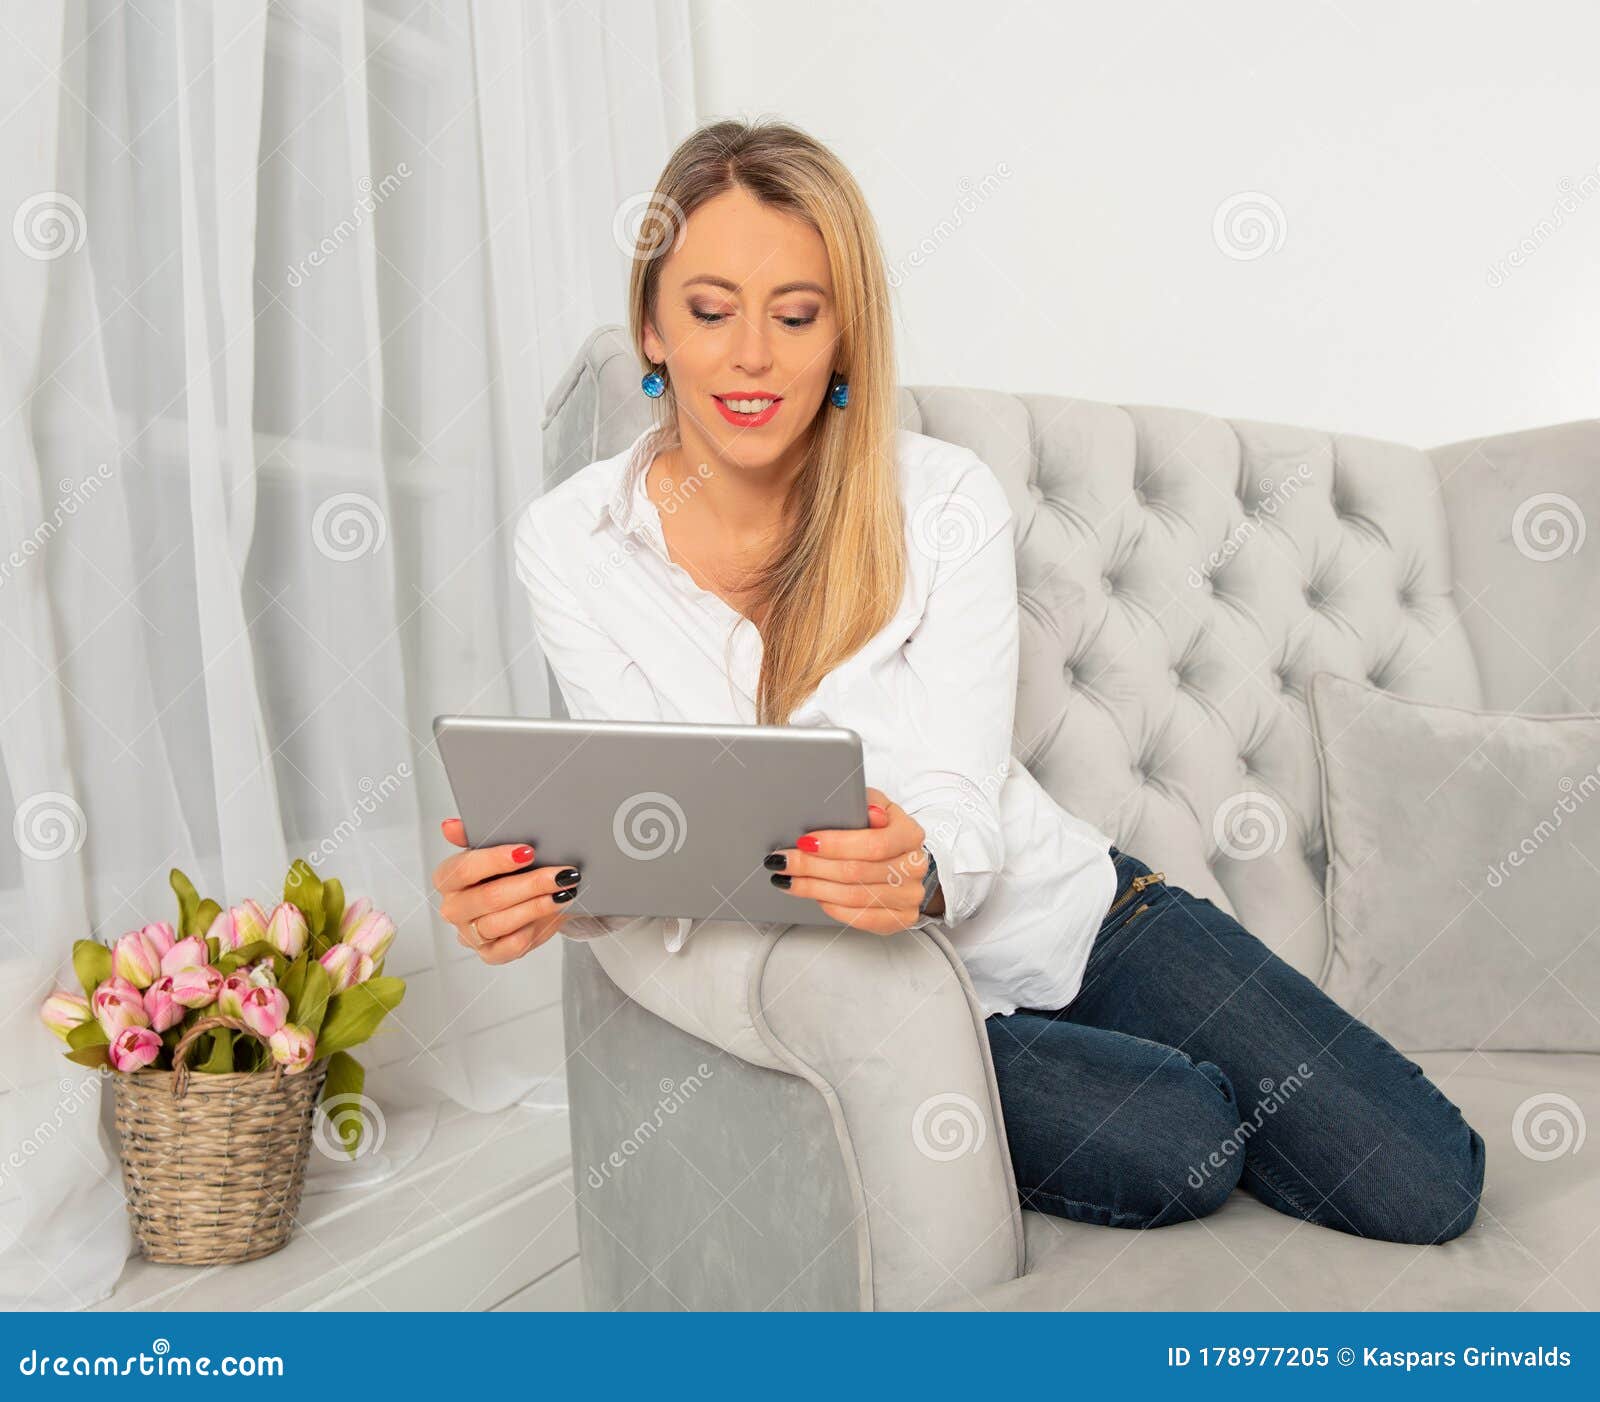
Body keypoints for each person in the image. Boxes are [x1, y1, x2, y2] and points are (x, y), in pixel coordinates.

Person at [431, 117, 1484, 1245]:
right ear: (651, 324)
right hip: (883, 1004)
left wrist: (918, 871)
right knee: (1182, 1135)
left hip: (1068, 918)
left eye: (795, 316)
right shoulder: (571, 540)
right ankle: (1144, 1084)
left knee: (1425, 1182)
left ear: (842, 337)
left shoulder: (939, 499)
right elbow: (652, 818)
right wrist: (552, 894)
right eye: (708, 310)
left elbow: (960, 800)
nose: (750, 357)